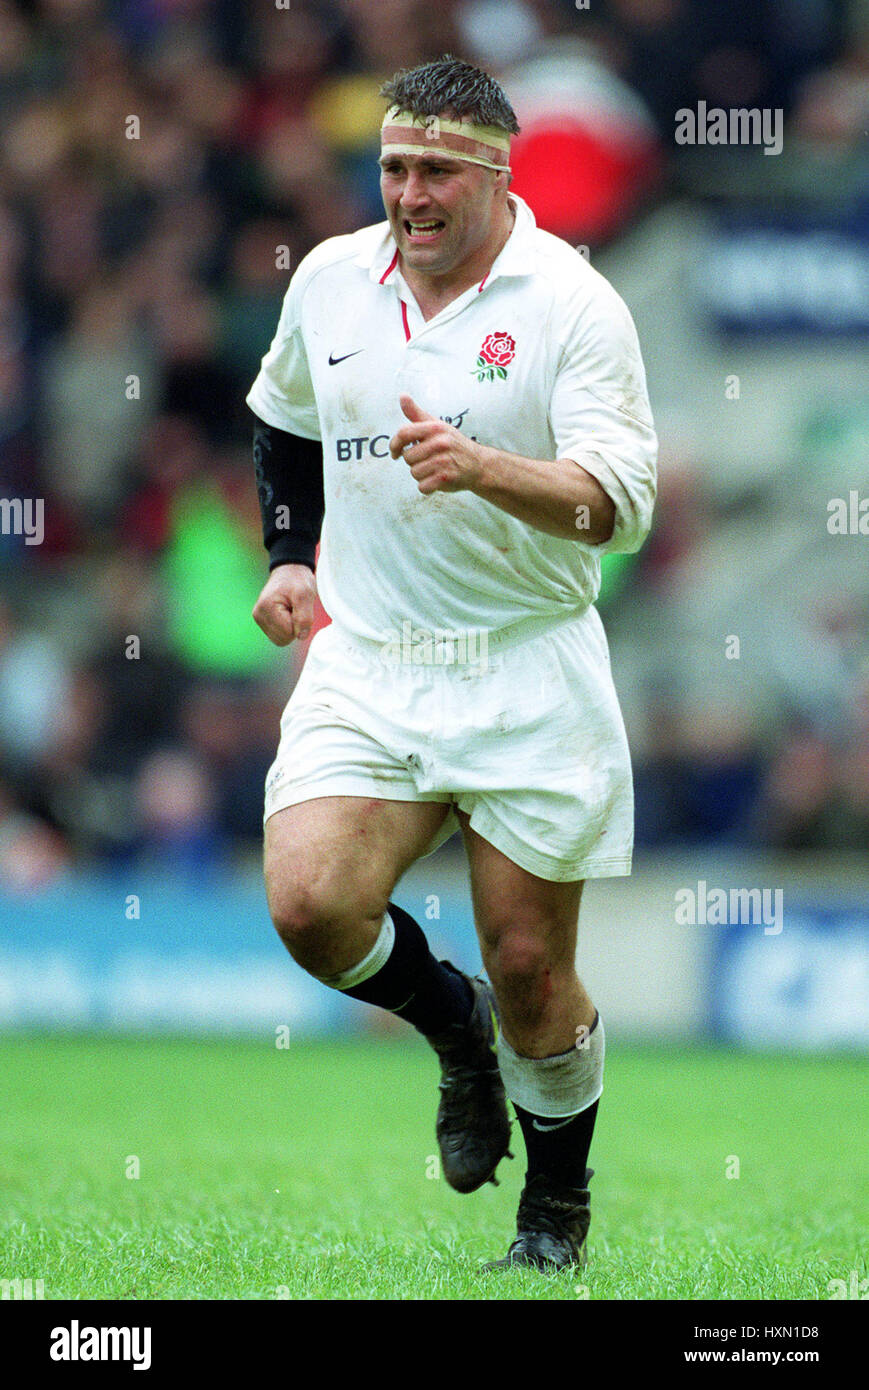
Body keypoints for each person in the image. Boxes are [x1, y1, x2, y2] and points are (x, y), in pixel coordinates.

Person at [246, 54, 657, 1271]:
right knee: (311, 905)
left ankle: (553, 1223)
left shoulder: (575, 304)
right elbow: (280, 415)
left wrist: (486, 469)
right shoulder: (330, 278)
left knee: (534, 966)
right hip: (370, 653)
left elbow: (618, 508)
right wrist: (285, 553)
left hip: (525, 664)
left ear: (493, 174)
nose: (408, 194)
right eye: (390, 168)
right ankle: (451, 1029)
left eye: (433, 170)